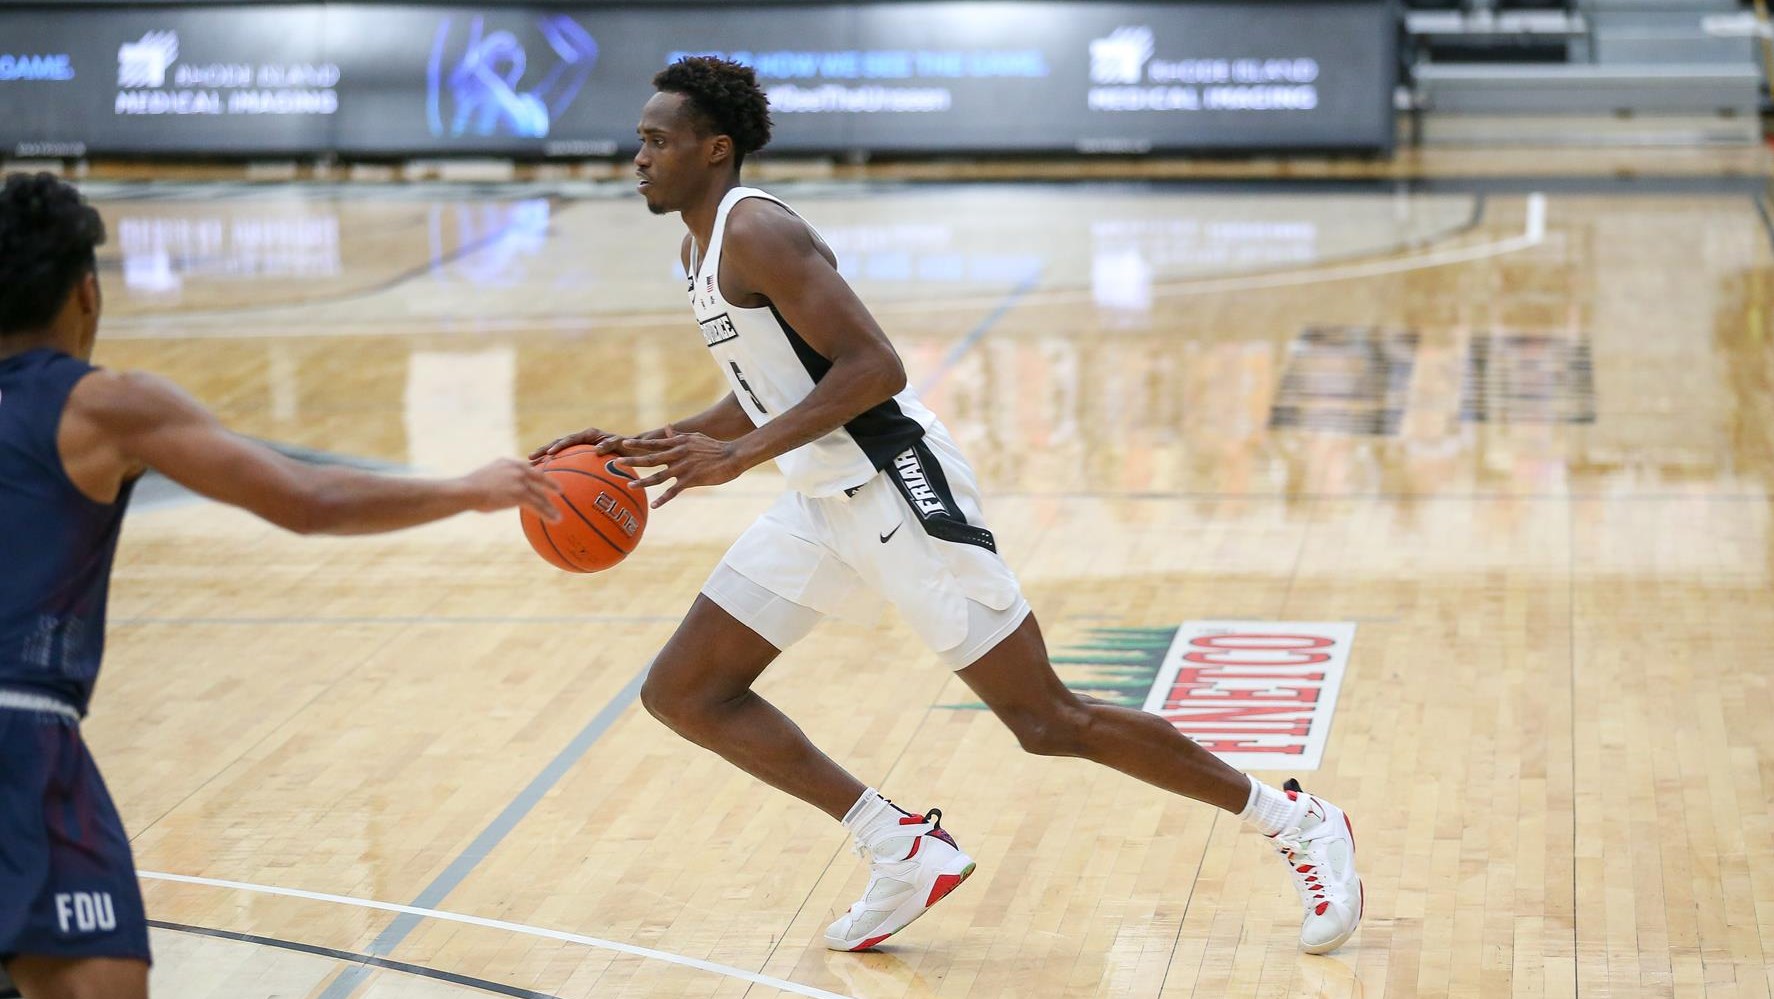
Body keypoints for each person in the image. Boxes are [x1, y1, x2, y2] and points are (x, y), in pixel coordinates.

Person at [535, 57, 1363, 954]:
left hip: (896, 481)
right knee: (686, 690)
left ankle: (1294, 818)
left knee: (1046, 719)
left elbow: (873, 368)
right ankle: (901, 847)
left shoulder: (757, 231)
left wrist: (735, 455)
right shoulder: (696, 247)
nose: (640, 156)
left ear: (716, 148)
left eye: (658, 140)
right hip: (820, 498)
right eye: (641, 140)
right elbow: (776, 385)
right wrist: (652, 440)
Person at [0, 172, 562, 999]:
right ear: (87, 292)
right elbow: (308, 499)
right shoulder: (105, 407)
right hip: (21, 729)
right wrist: (470, 489)